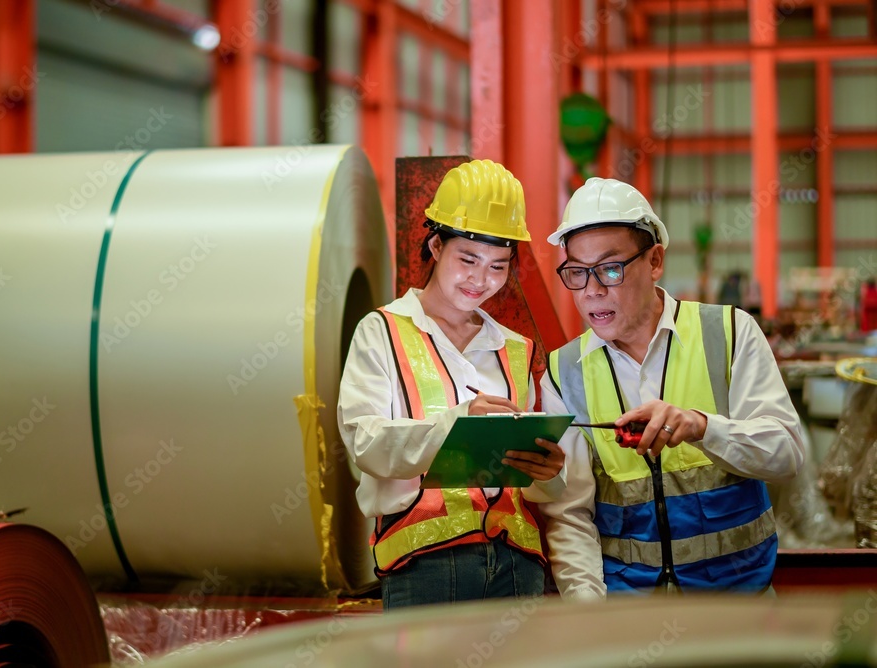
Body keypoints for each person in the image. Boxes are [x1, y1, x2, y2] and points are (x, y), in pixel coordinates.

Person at [522, 177, 806, 595]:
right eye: (577, 272)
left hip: (739, 607)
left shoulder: (727, 334)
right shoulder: (564, 373)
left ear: (655, 261)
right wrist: (589, 618)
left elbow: (786, 453)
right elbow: (570, 515)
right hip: (631, 616)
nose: (593, 291)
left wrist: (702, 427)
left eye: (610, 269)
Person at [338, 160, 565, 610]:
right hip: (424, 567)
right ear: (436, 244)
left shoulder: (516, 350)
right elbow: (363, 443)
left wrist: (549, 472)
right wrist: (456, 425)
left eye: (499, 266)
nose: (482, 280)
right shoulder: (382, 331)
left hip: (517, 566)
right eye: (468, 259)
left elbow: (540, 485)